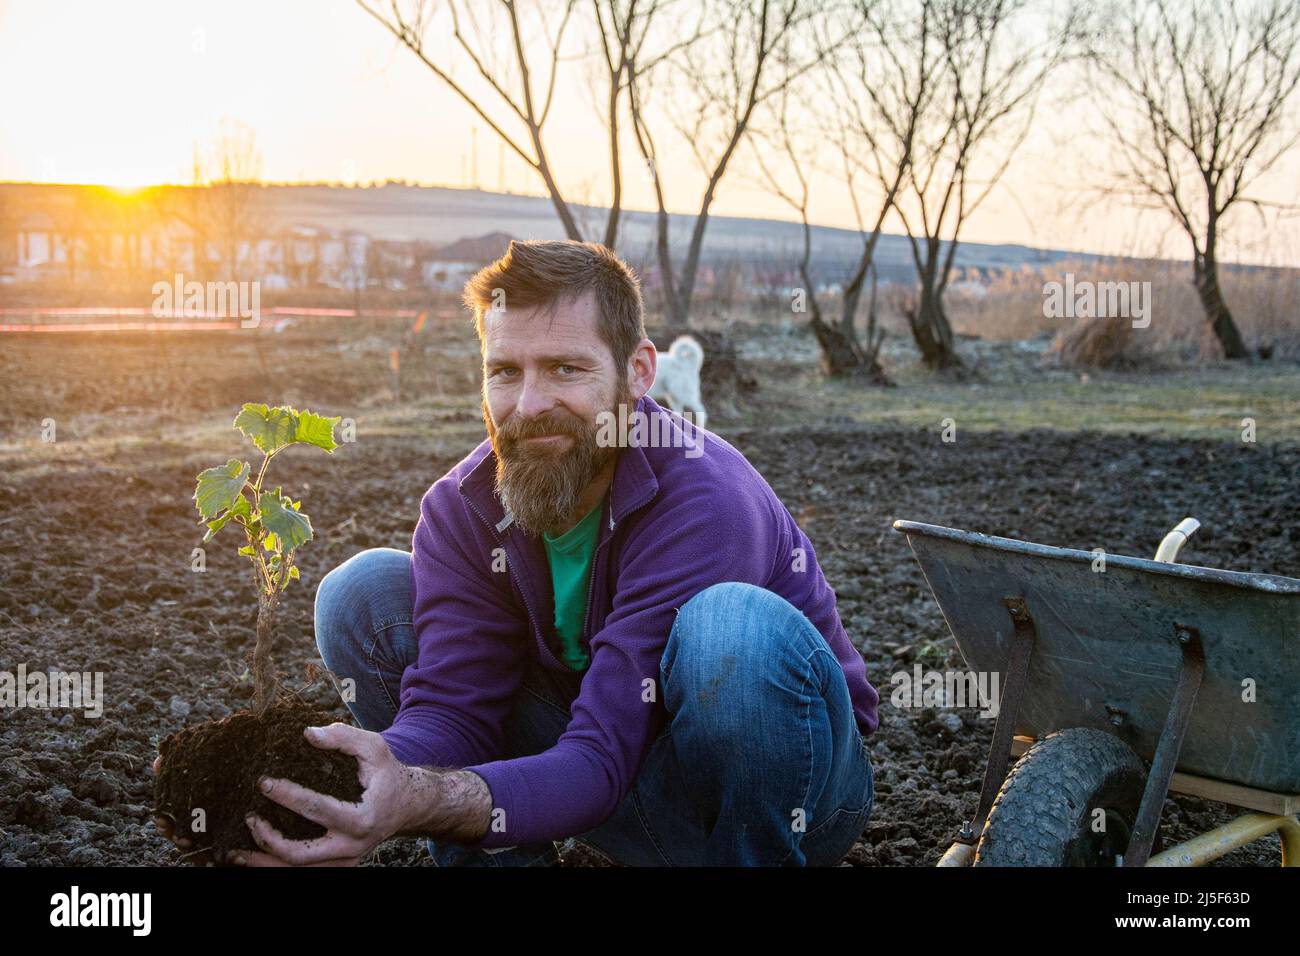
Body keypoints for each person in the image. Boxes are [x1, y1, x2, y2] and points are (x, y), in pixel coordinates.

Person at [155, 239, 880, 866]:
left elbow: (602, 750)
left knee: (735, 632)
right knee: (363, 594)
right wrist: (347, 786)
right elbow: (454, 713)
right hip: (604, 786)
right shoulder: (463, 508)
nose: (530, 405)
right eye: (505, 371)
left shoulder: (702, 499)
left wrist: (427, 798)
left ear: (637, 372)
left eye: (566, 369)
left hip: (780, 803)